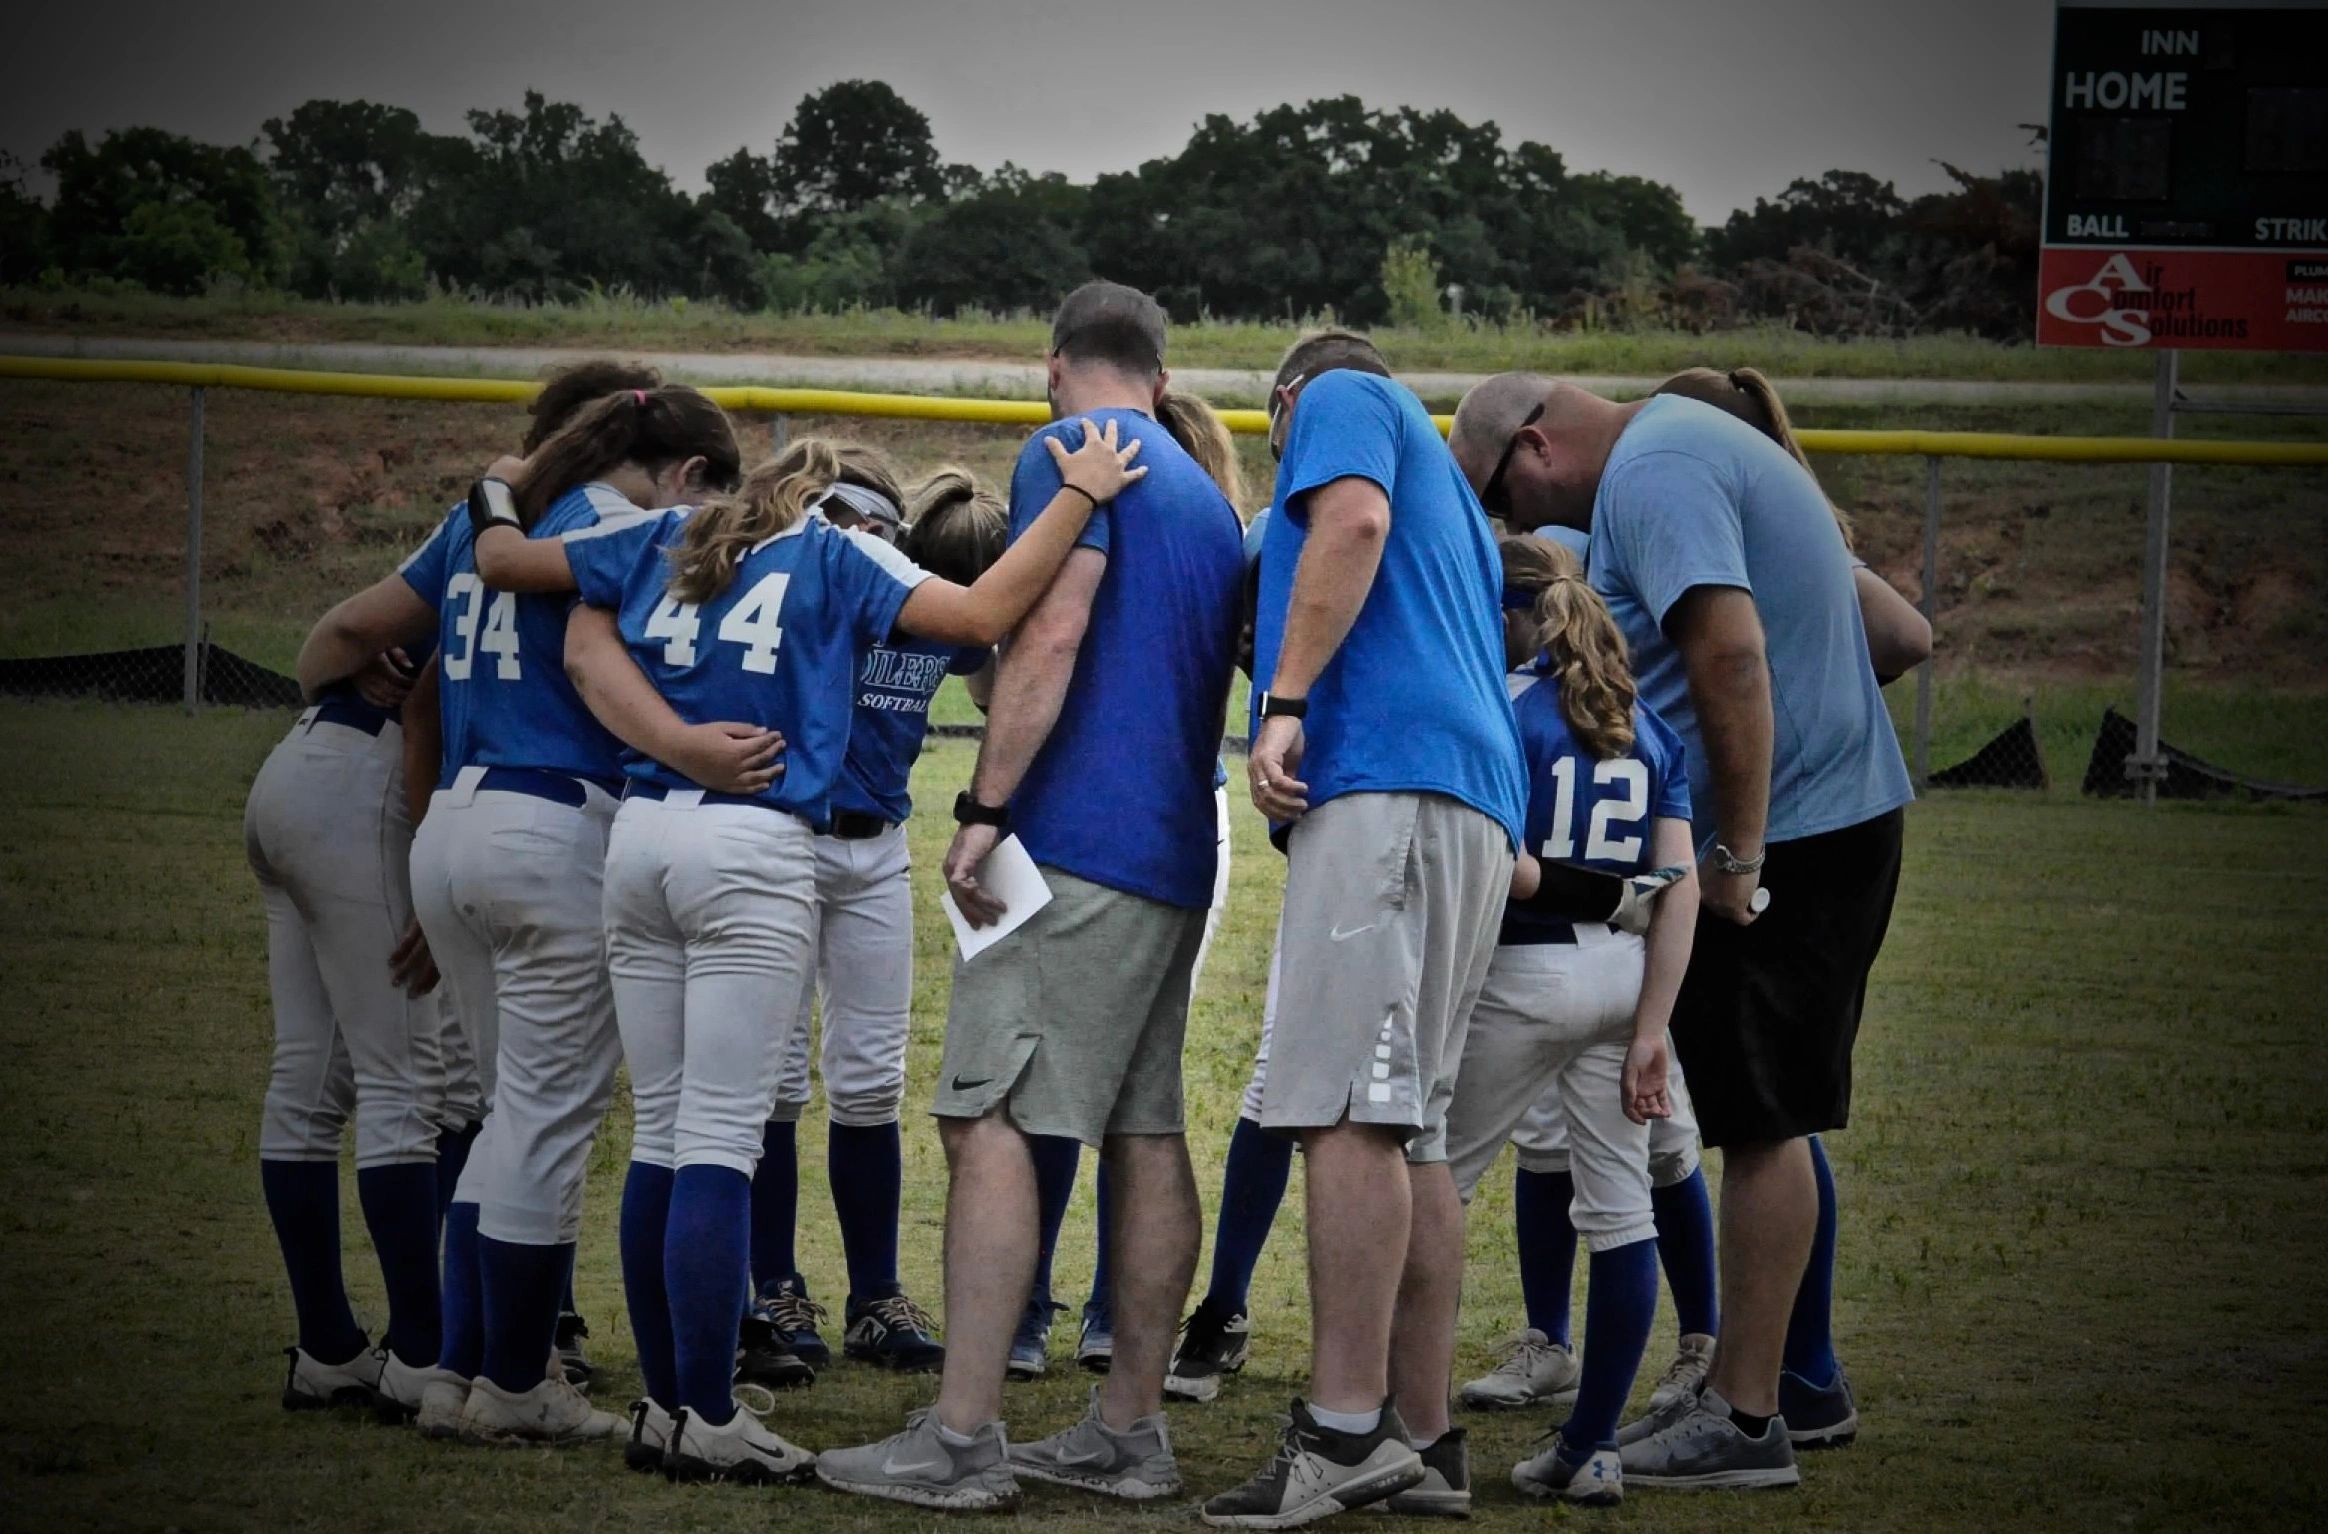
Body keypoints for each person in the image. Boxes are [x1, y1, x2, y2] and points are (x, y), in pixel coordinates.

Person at [475, 419, 1144, 1483]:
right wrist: (1081, 494)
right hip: (751, 843)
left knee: (665, 1131)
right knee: (721, 1140)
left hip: (644, 830)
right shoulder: (834, 549)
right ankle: (703, 1411)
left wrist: (503, 485)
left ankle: (666, 1402)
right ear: (832, 506)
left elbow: (512, 569)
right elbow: (981, 610)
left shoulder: (670, 534)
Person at [818, 281, 1244, 1513]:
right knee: (1144, 1127)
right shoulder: (1213, 497)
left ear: (1053, 367)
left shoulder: (1072, 453)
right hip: (1173, 849)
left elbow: (1049, 637)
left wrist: (986, 805)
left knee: (987, 1116)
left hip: (1073, 845)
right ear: (1159, 378)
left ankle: (960, 1436)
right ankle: (1127, 1430)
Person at [1450, 372, 1913, 1491]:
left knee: (1762, 1124)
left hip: (1791, 838)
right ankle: (1792, 1382)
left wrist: (1739, 856)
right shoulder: (1682, 450)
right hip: (1822, 817)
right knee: (1773, 1115)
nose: (1518, 528)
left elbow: (1729, 655)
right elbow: (1892, 631)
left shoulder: (1656, 468)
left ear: (1534, 443)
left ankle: (1744, 1418)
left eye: (1504, 501)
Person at [295, 383, 745, 1447]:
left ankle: (455, 1368)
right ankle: (510, 1383)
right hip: (551, 822)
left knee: (505, 1114)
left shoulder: (488, 512)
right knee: (544, 1123)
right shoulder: (638, 524)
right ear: (685, 472)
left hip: (452, 816)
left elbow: (394, 631)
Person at [1203, 330, 1525, 1529]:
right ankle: (1425, 1438)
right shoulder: (1451, 499)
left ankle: (1341, 1431)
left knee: (1343, 1111)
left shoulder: (1342, 393)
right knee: (1415, 1129)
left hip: (1386, 784)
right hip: (1468, 804)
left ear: (1288, 402)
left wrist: (1282, 705)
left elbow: (1347, 523)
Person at [1435, 533, 1699, 1510]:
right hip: (1624, 977)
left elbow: (1492, 863)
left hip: (1526, 967)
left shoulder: (1509, 710)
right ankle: (1591, 1447)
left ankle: (1394, 1414)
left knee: (1431, 1182)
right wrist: (1652, 1026)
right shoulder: (1648, 726)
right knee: (1622, 1211)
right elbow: (1678, 890)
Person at [736, 458, 1002, 1388]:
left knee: (870, 1078)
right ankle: (772, 1285)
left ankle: (876, 1295)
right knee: (773, 1077)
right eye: (839, 524)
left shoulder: (932, 608)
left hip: (877, 846)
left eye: (875, 528)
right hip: (790, 838)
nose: (860, 544)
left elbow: (992, 666)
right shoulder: (806, 595)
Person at [1018, 387, 1245, 1382]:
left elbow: (1033, 648)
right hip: (1186, 815)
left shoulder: (1133, 497)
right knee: (1129, 1092)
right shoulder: (1217, 524)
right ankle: (1101, 1316)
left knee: (1063, 1078)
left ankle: (1032, 1311)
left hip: (1094, 813)